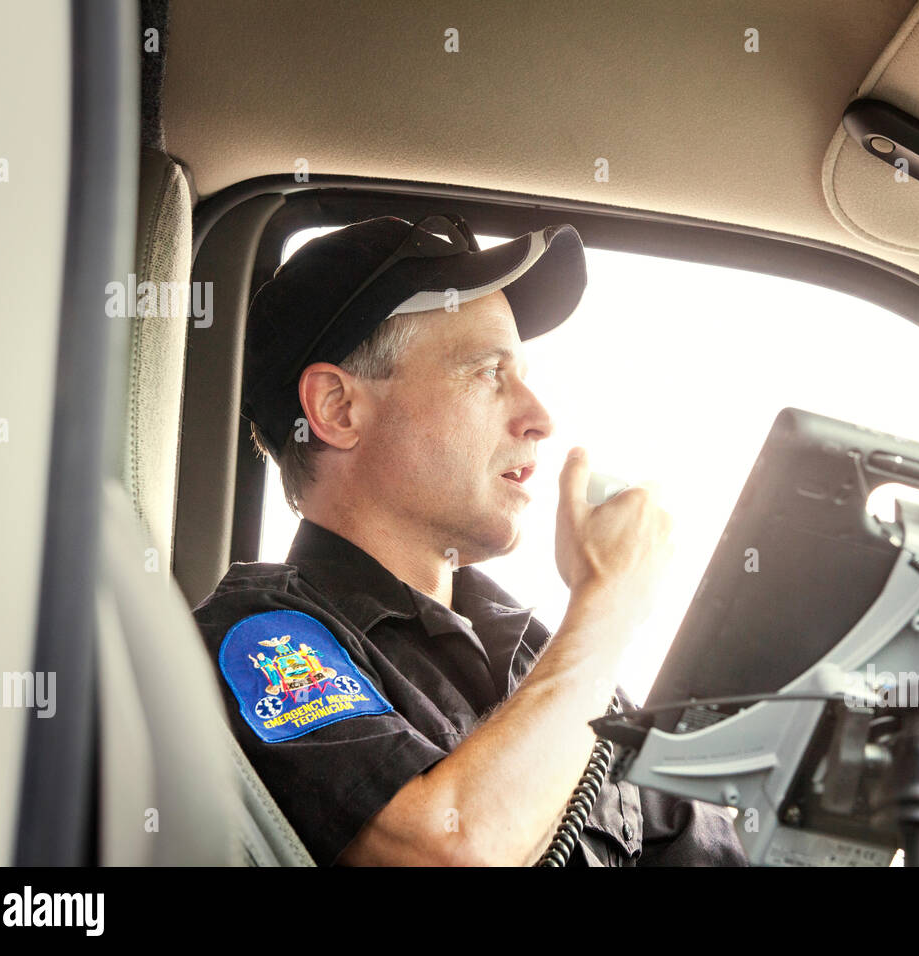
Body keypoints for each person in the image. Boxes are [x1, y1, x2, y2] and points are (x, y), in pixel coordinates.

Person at [192, 213, 747, 866]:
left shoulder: (542, 654)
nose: (539, 418)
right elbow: (447, 853)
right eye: (488, 373)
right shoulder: (262, 638)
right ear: (339, 409)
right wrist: (609, 602)